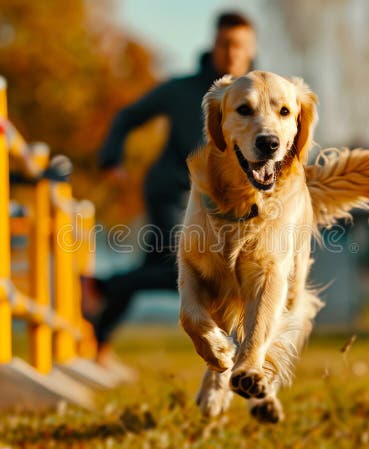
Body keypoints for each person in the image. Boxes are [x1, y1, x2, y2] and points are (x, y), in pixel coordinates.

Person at [86, 11, 257, 372]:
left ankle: (97, 338)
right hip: (170, 193)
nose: (231, 53)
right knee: (177, 270)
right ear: (214, 45)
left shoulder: (256, 98)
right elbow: (127, 116)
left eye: (239, 46)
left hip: (214, 205)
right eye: (225, 44)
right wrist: (111, 159)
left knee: (149, 269)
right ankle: (98, 287)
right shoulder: (182, 90)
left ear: (251, 50)